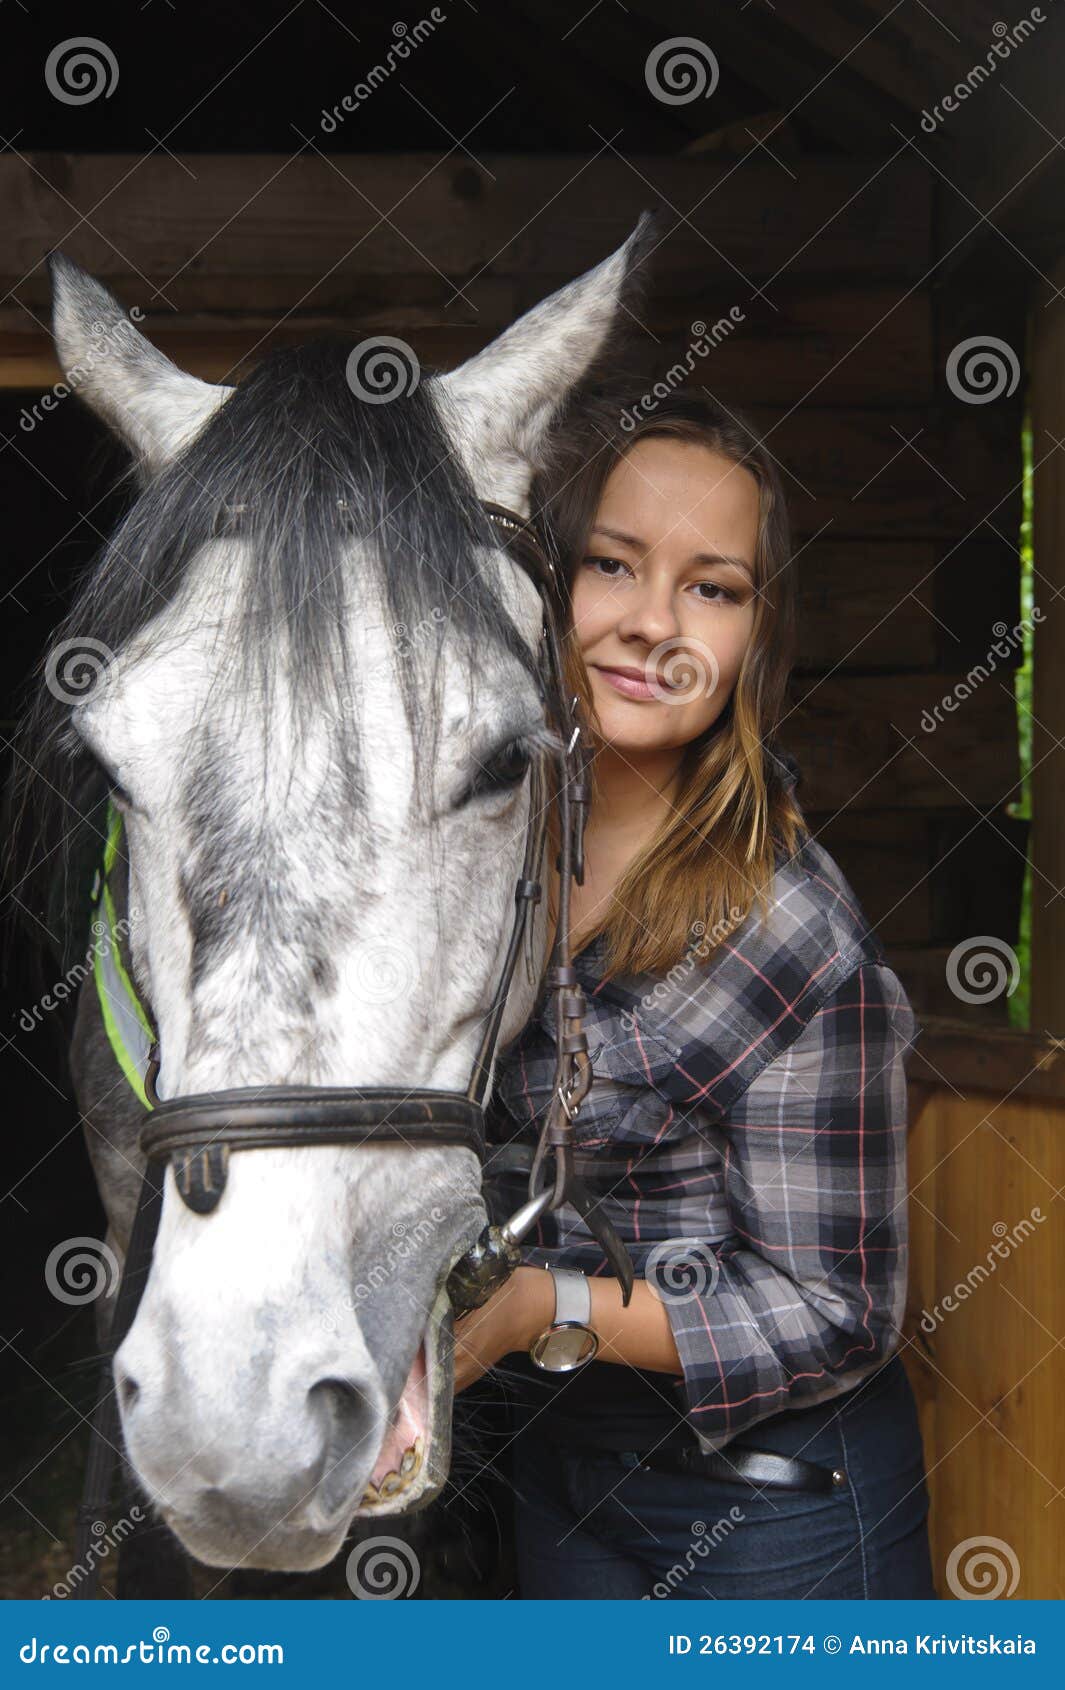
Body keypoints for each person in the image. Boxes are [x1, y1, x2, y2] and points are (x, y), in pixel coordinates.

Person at [450, 384, 936, 1600]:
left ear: (753, 642)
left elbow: (840, 1307)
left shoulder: (792, 930)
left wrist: (531, 1309)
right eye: (614, 566)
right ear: (548, 586)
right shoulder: (468, 865)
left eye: (711, 587)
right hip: (563, 1478)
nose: (653, 624)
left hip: (783, 1507)